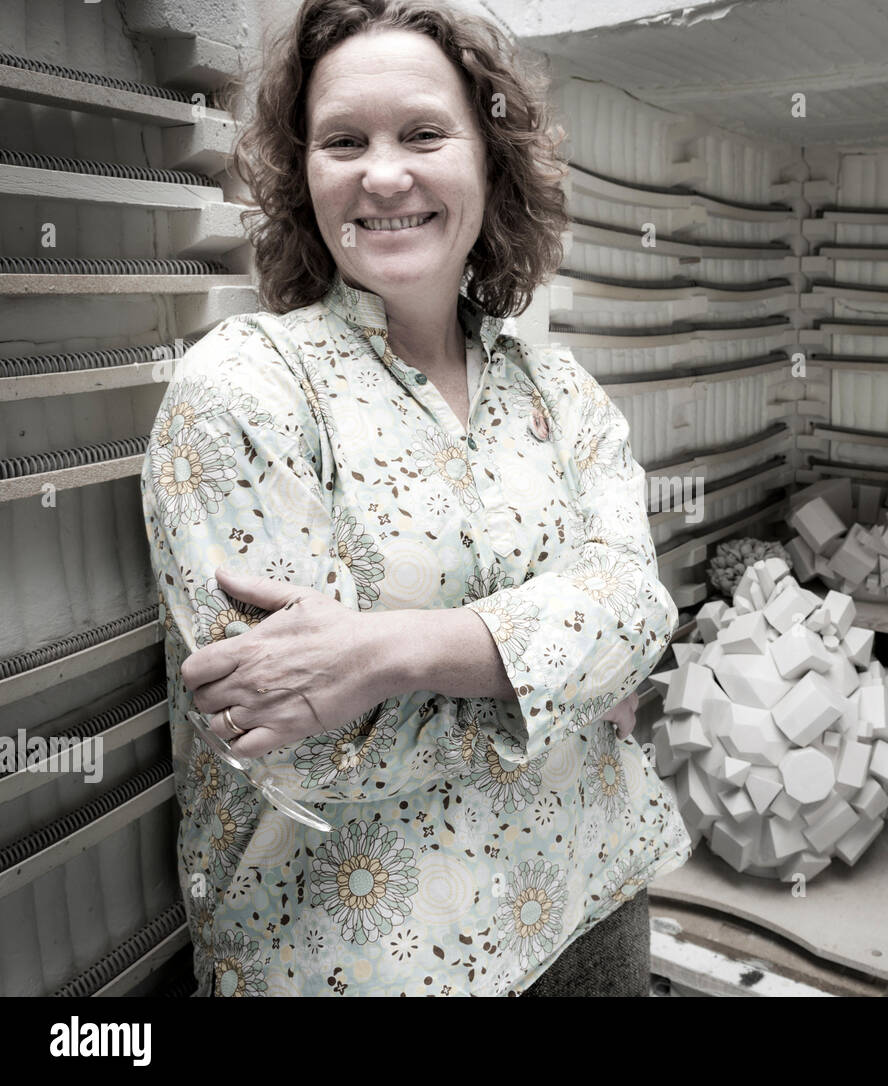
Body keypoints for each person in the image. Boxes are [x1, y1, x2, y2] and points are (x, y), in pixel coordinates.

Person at [140, 0, 691, 997]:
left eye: (424, 134)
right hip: (367, 965)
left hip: (593, 898)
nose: (383, 173)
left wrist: (391, 651)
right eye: (344, 141)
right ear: (303, 177)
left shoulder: (556, 390)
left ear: (488, 160)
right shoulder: (244, 389)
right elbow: (301, 743)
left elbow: (641, 610)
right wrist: (567, 676)